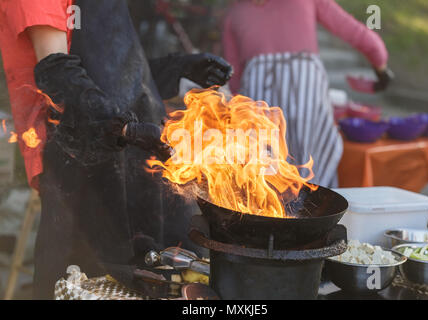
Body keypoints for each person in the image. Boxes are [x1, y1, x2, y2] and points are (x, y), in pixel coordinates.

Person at [0, 0, 232, 299]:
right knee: (88, 285)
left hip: (140, 164)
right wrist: (122, 129)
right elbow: (57, 73)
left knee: (172, 282)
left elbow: (112, 77)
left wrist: (178, 69)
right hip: (81, 169)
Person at [223, 0, 392, 187]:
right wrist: (380, 63)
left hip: (259, 96)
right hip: (308, 88)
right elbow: (352, 30)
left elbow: (233, 76)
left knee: (266, 169)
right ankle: (316, 209)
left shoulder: (235, 12)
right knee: (314, 164)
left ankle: (269, 212)